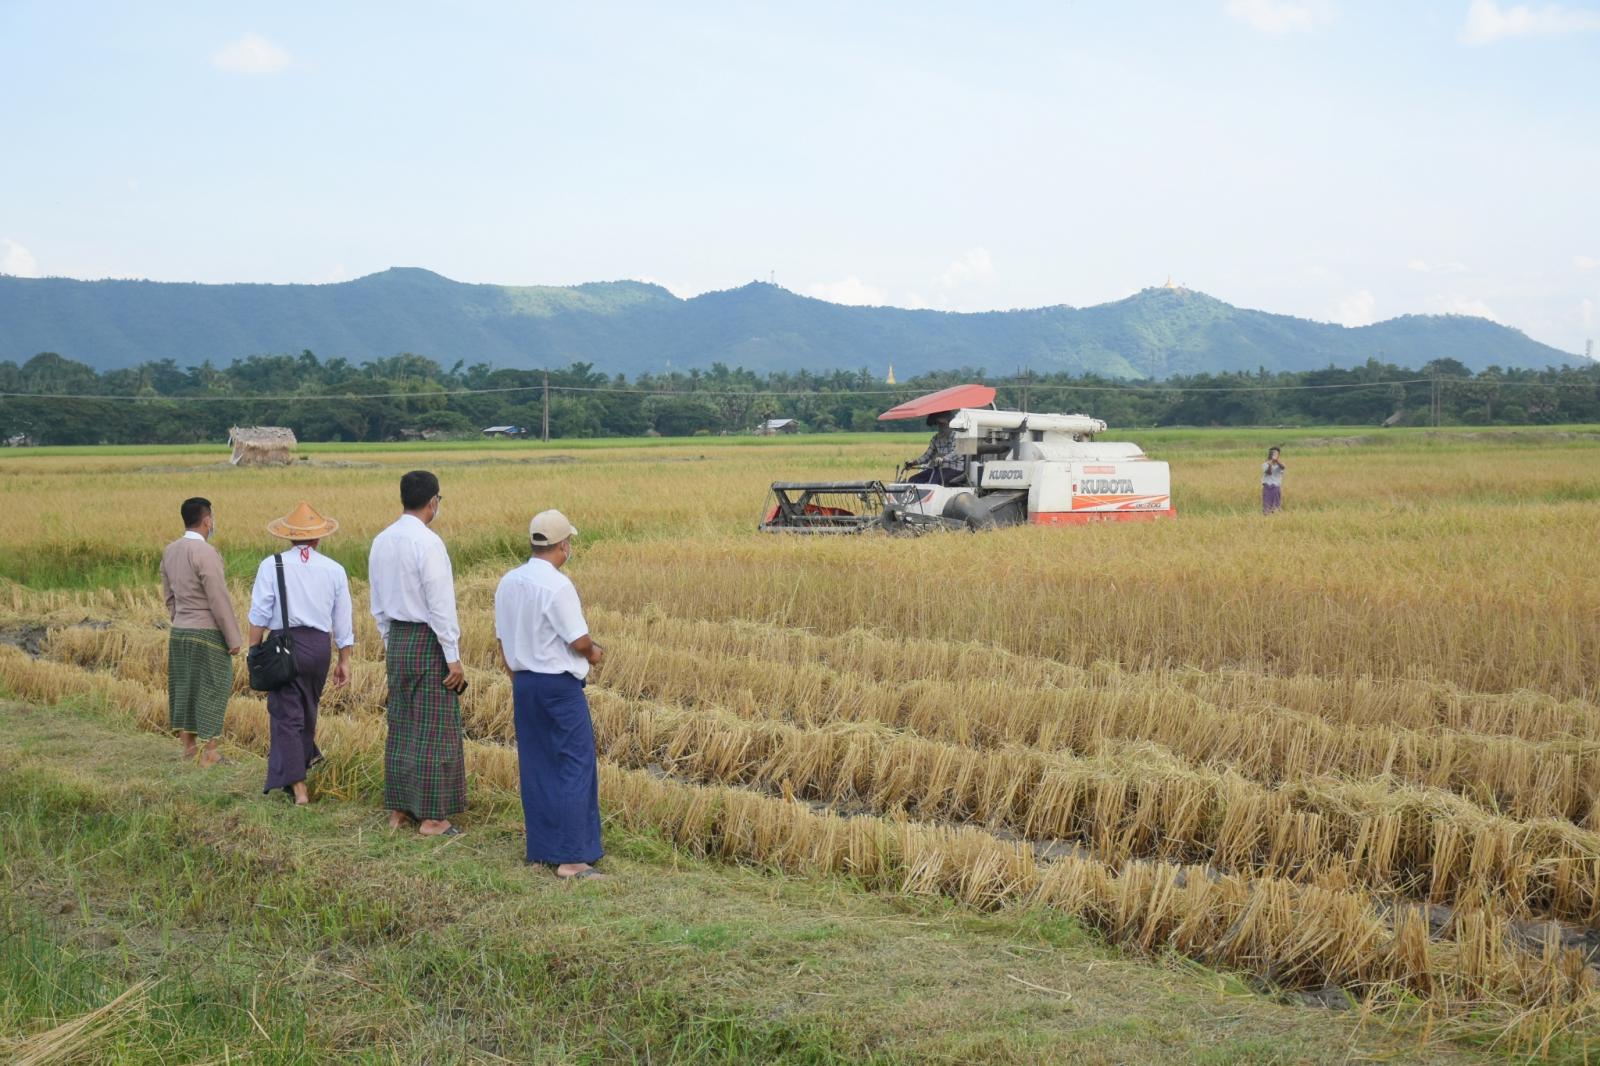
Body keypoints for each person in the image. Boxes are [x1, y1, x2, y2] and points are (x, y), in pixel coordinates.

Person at [494, 510, 607, 881]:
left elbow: (501, 639)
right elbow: (578, 639)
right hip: (558, 686)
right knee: (575, 764)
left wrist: (516, 675)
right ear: (563, 546)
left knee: (537, 765)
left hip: (524, 682)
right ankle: (573, 859)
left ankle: (543, 848)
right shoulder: (558, 586)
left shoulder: (509, 582)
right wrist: (594, 653)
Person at [369, 470, 467, 837]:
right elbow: (440, 604)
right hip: (427, 640)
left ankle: (399, 810)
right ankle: (433, 818)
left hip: (397, 639)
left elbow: (377, 602)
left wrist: (389, 642)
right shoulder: (428, 543)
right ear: (433, 502)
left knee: (402, 725)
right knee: (435, 728)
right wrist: (452, 655)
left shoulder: (381, 541)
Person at [248, 502, 354, 805]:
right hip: (319, 648)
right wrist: (344, 660)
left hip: (284, 645)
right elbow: (343, 620)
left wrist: (254, 650)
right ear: (318, 539)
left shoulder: (272, 565)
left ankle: (298, 788)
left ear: (289, 537)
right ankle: (301, 765)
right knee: (307, 710)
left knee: (286, 715)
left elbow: (259, 614)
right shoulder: (334, 569)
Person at [159, 496, 242, 767]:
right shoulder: (206, 552)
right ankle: (211, 752)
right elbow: (217, 597)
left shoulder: (170, 550)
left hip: (180, 631)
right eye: (212, 518)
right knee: (213, 688)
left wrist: (179, 618)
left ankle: (189, 748)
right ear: (207, 520)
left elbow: (168, 595)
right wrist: (232, 638)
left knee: (184, 688)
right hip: (206, 633)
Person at [907, 410, 966, 485]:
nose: (940, 427)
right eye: (938, 424)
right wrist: (913, 463)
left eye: (942, 424)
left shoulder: (957, 436)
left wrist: (943, 459)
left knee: (933, 481)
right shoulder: (935, 438)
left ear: (949, 422)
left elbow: (957, 453)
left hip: (955, 469)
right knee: (913, 480)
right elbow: (927, 456)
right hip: (939, 469)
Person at [1262, 446, 1286, 514]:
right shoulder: (1265, 464)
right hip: (1267, 488)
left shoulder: (1280, 464)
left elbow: (1282, 467)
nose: (1274, 455)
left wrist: (1276, 461)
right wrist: (1270, 464)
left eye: (1276, 454)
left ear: (1278, 455)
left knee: (1276, 508)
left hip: (1275, 488)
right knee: (1266, 508)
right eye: (1273, 453)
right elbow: (1268, 472)